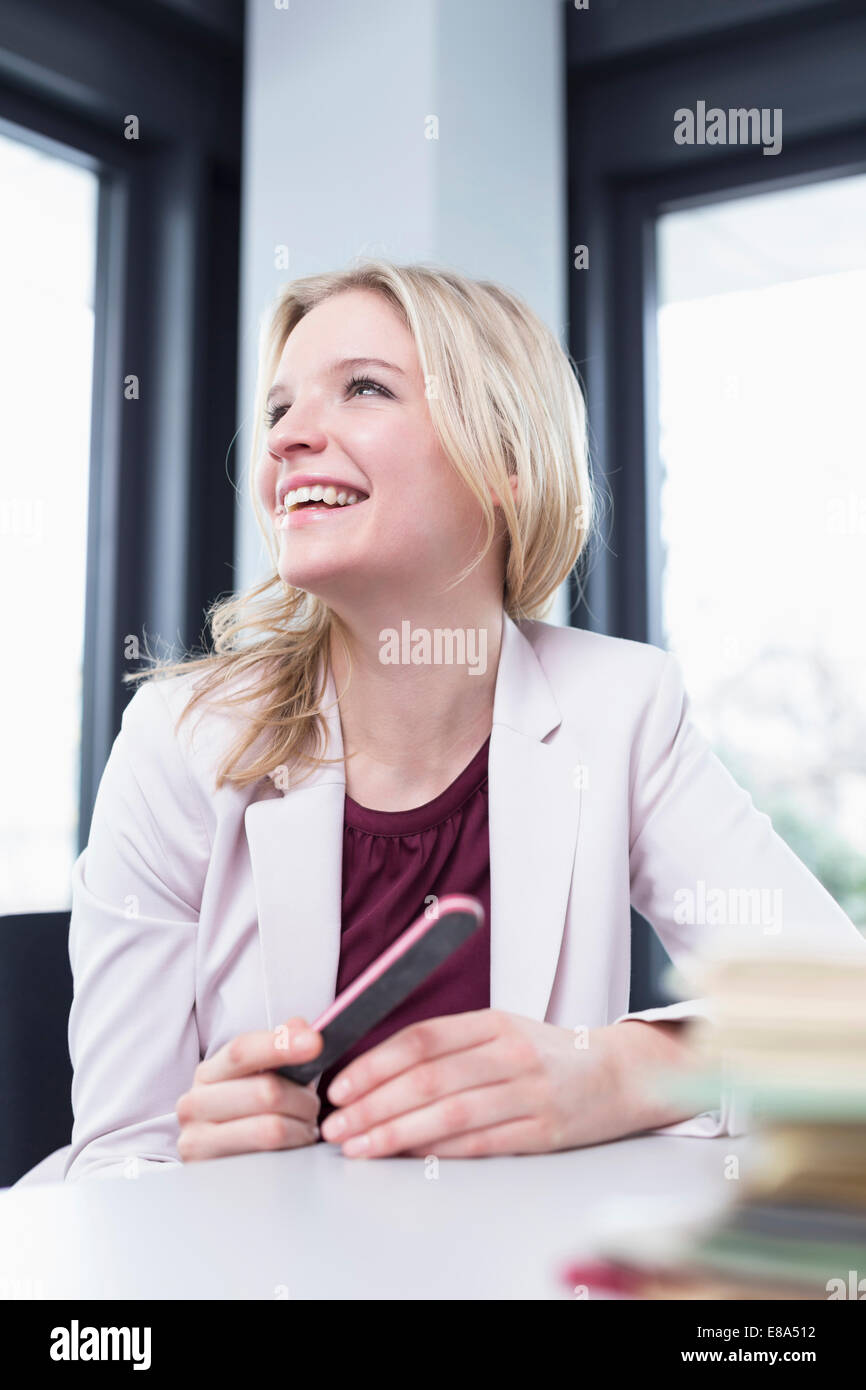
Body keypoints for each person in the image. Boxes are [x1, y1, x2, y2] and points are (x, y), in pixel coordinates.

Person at [40, 260, 866, 1181]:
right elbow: (113, 1159)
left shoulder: (622, 710)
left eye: (362, 388)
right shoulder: (180, 739)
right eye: (278, 411)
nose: (284, 441)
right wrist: (202, 1163)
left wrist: (624, 1073)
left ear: (508, 462)